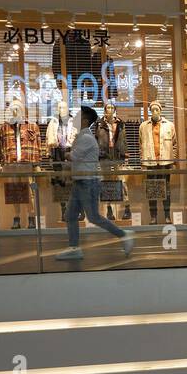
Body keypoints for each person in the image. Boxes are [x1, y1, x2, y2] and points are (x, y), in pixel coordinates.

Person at [56, 105, 135, 261]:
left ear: (85, 120)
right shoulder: (81, 136)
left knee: (93, 217)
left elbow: (74, 156)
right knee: (71, 215)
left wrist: (65, 154)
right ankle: (74, 247)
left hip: (88, 182)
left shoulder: (86, 138)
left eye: (78, 116)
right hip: (80, 181)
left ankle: (123, 234)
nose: (75, 118)